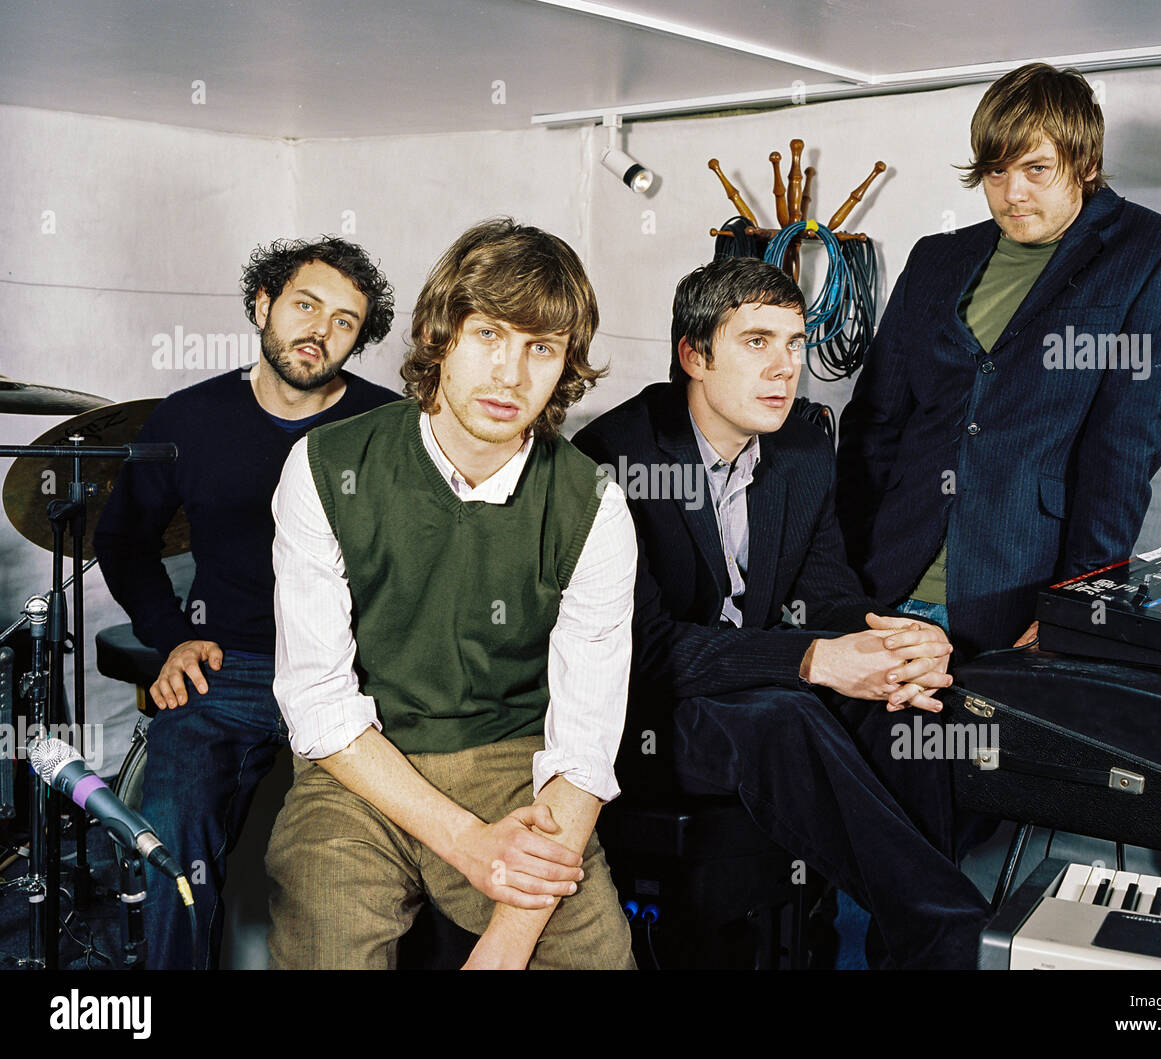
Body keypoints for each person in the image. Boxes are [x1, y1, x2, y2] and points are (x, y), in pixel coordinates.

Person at [573, 257, 991, 969]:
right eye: (757, 342)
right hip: (653, 709)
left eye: (795, 343)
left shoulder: (800, 445)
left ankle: (911, 955)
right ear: (694, 355)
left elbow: (825, 593)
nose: (785, 367)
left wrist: (898, 644)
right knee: (783, 714)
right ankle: (953, 929)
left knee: (919, 709)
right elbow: (644, 651)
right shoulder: (614, 455)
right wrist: (810, 659)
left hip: (764, 685)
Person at [265, 218, 636, 970]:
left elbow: (585, 745)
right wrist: (466, 842)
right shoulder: (325, 465)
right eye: (490, 335)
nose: (510, 374)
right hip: (361, 763)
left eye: (541, 348)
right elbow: (317, 701)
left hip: (515, 766)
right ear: (442, 336)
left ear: (566, 363)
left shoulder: (593, 505)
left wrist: (506, 941)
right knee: (327, 943)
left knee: (595, 957)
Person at [836, 62, 1161, 658]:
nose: (1013, 194)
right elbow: (874, 425)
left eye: (1037, 169)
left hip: (1017, 600)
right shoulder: (936, 257)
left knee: (974, 752)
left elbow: (1123, 454)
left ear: (1085, 163)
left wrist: (1077, 608)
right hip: (881, 586)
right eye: (996, 171)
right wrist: (844, 572)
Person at [94, 236, 400, 969]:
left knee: (359, 847)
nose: (320, 330)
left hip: (347, 673)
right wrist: (171, 635)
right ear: (262, 304)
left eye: (345, 321)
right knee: (169, 829)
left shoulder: (392, 429)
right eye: (305, 305)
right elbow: (123, 538)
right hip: (222, 665)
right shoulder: (189, 418)